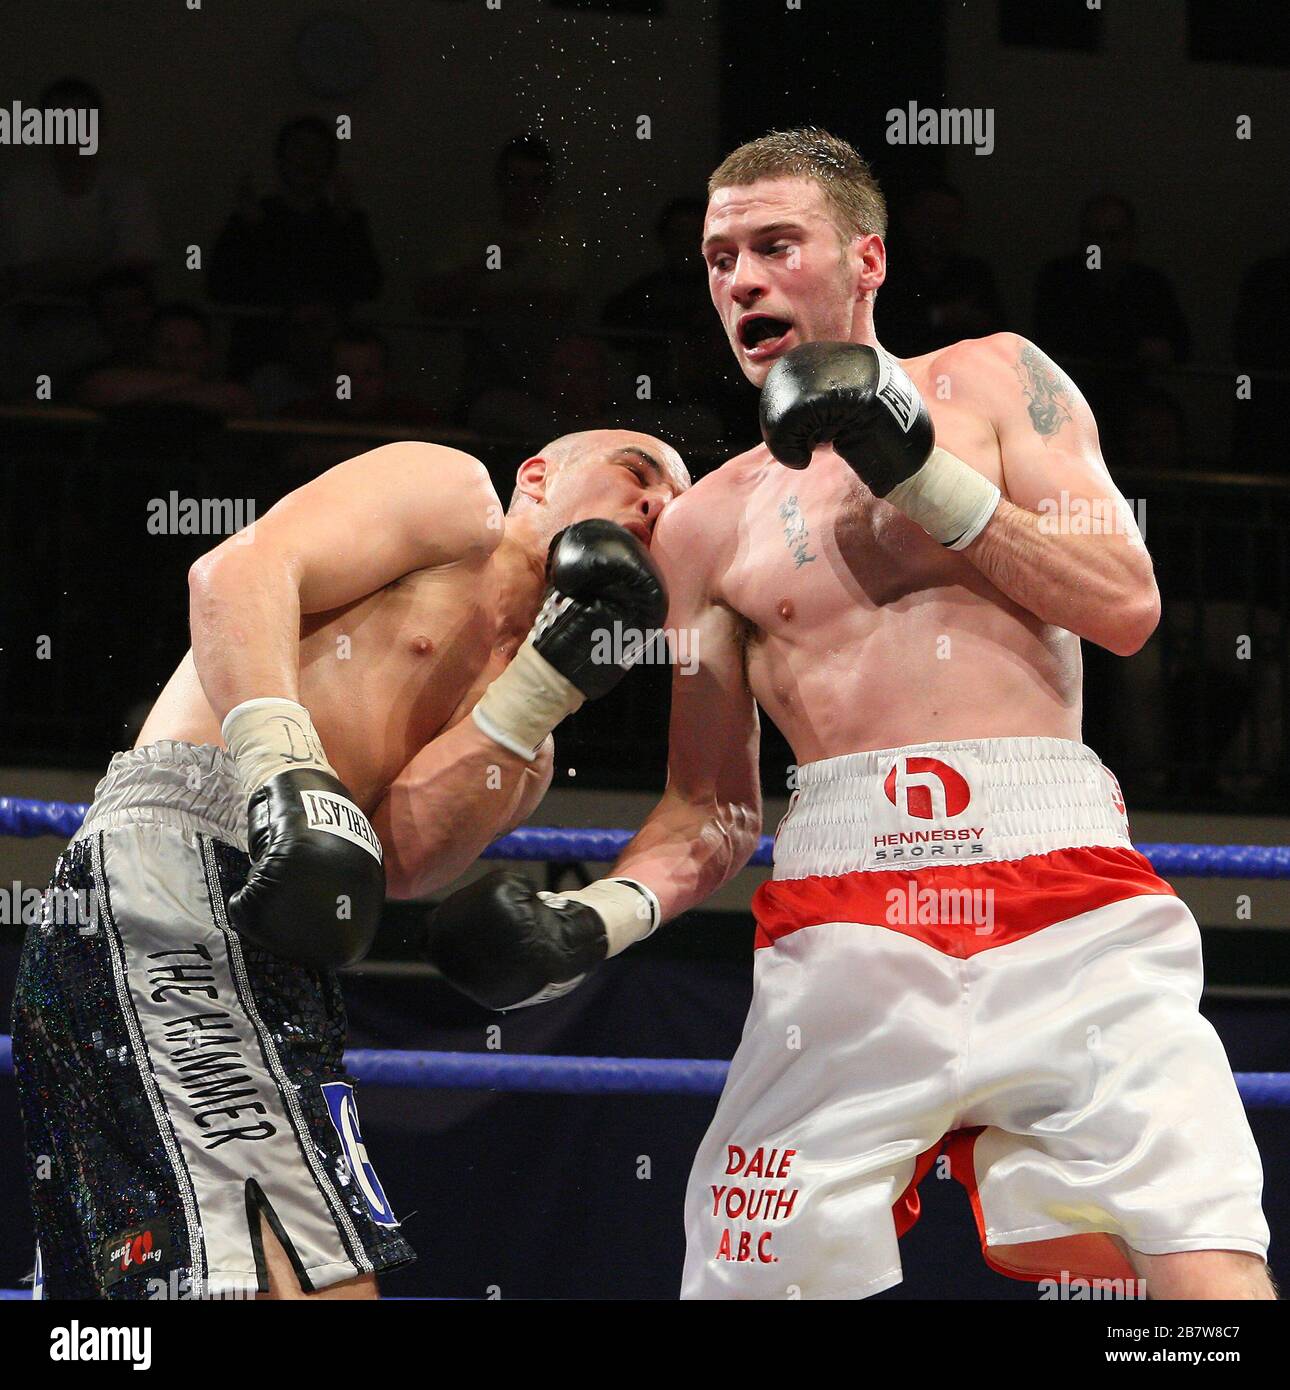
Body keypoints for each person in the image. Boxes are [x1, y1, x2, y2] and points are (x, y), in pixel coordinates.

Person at [423, 128, 1273, 1300]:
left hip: (1063, 886)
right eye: (721, 258)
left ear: (868, 259)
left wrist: (921, 470)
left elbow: (1127, 605)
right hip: (840, 918)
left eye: (777, 245)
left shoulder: (990, 379)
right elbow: (710, 808)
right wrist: (594, 922)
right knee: (748, 1284)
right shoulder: (708, 525)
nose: (742, 281)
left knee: (1198, 1272)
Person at [11, 428, 687, 1300]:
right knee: (304, 1274)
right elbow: (237, 572)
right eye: (637, 477)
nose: (652, 509)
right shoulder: (454, 498)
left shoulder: (531, 750)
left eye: (671, 516)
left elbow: (397, 864)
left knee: (157, 1287)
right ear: (539, 475)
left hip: (286, 952)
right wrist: (283, 764)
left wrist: (540, 688)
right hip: (177, 861)